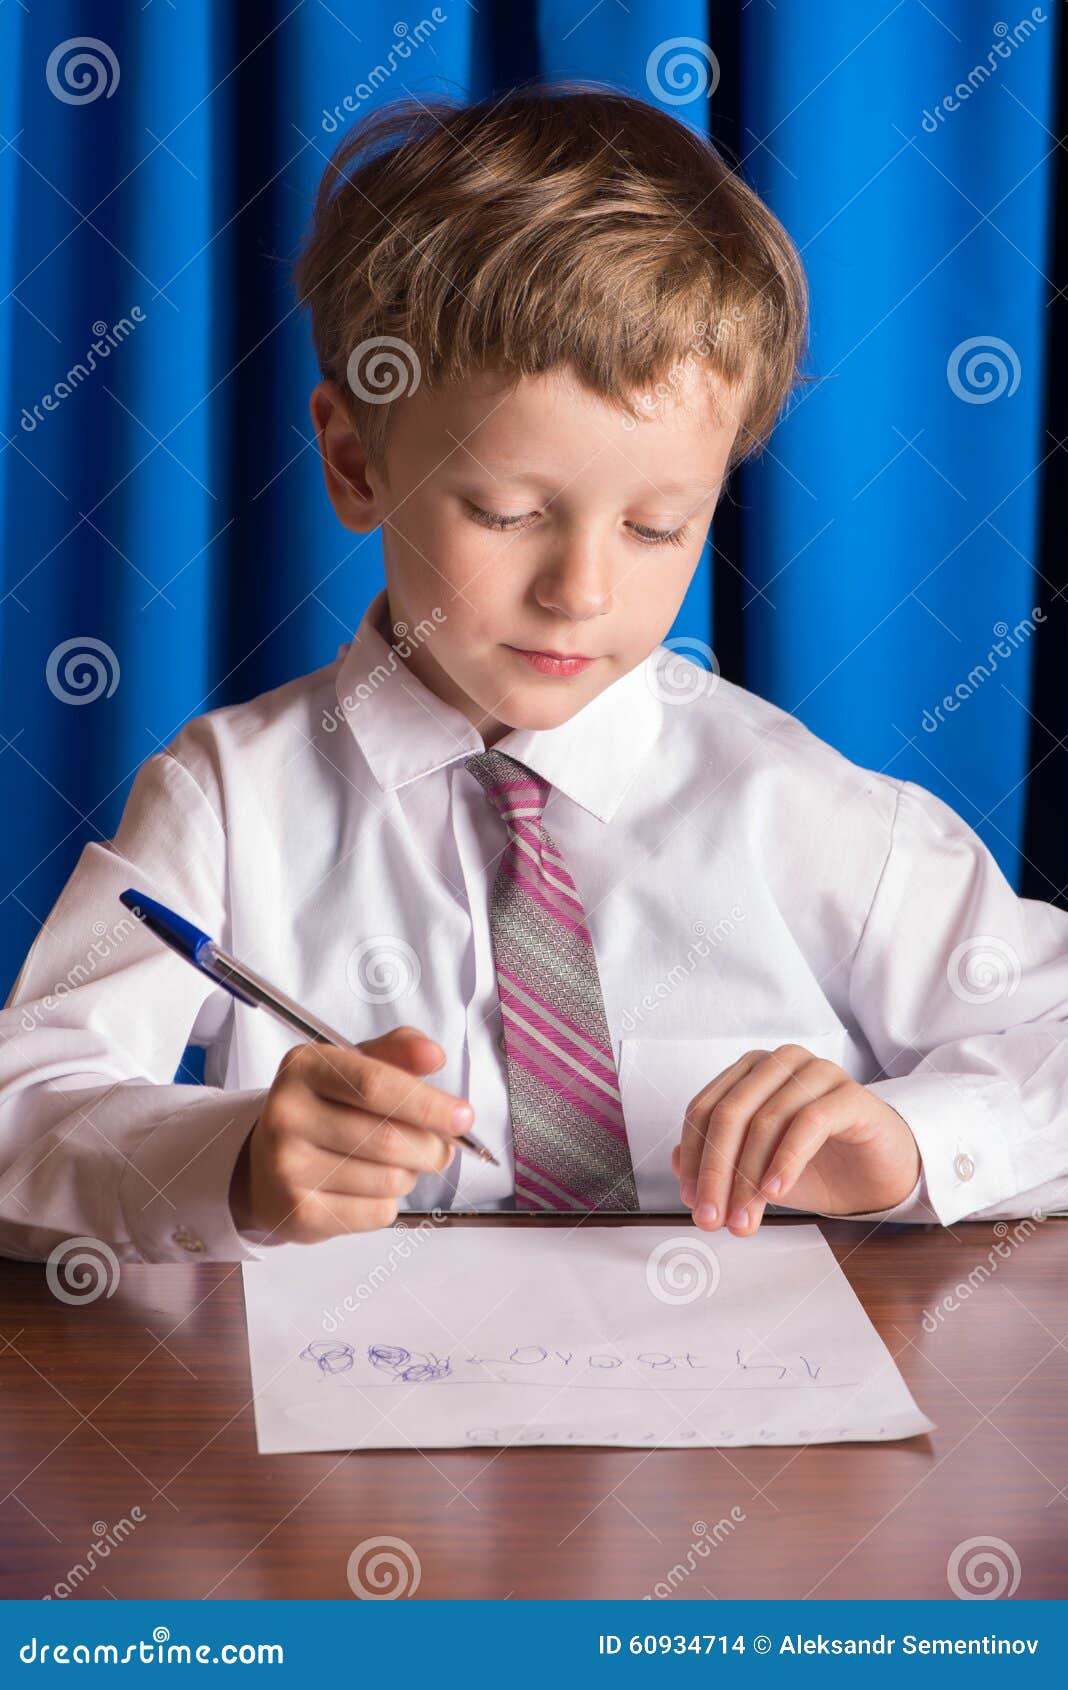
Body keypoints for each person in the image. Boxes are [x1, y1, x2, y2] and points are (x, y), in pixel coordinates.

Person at [2, 85, 1066, 1264]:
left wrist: (911, 1144)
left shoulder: (806, 811)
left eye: (660, 527)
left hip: (734, 1429)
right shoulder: (228, 801)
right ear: (357, 464)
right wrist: (235, 1162)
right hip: (364, 1416)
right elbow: (22, 1111)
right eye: (509, 512)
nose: (583, 591)